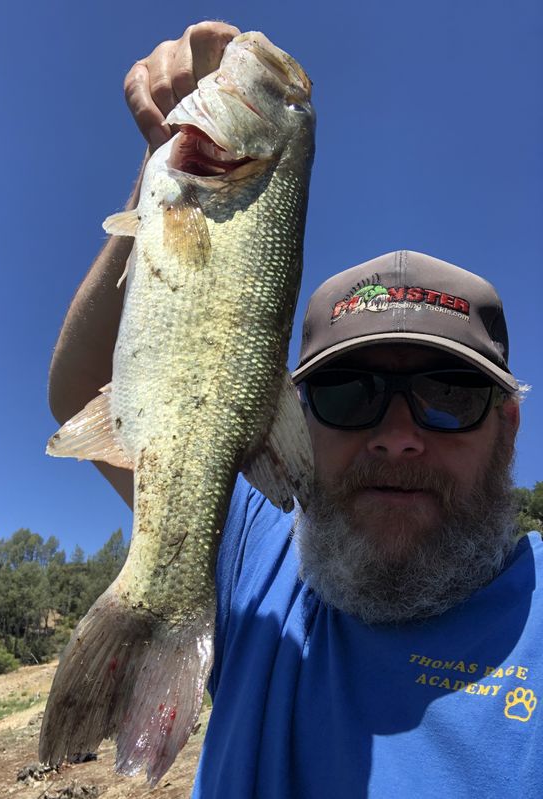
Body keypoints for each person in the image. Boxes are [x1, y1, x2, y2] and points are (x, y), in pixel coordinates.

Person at [48, 22, 542, 798]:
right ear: (293, 416)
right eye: (351, 394)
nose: (399, 437)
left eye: (450, 394)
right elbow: (81, 394)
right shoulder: (259, 557)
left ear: (508, 426)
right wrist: (163, 171)